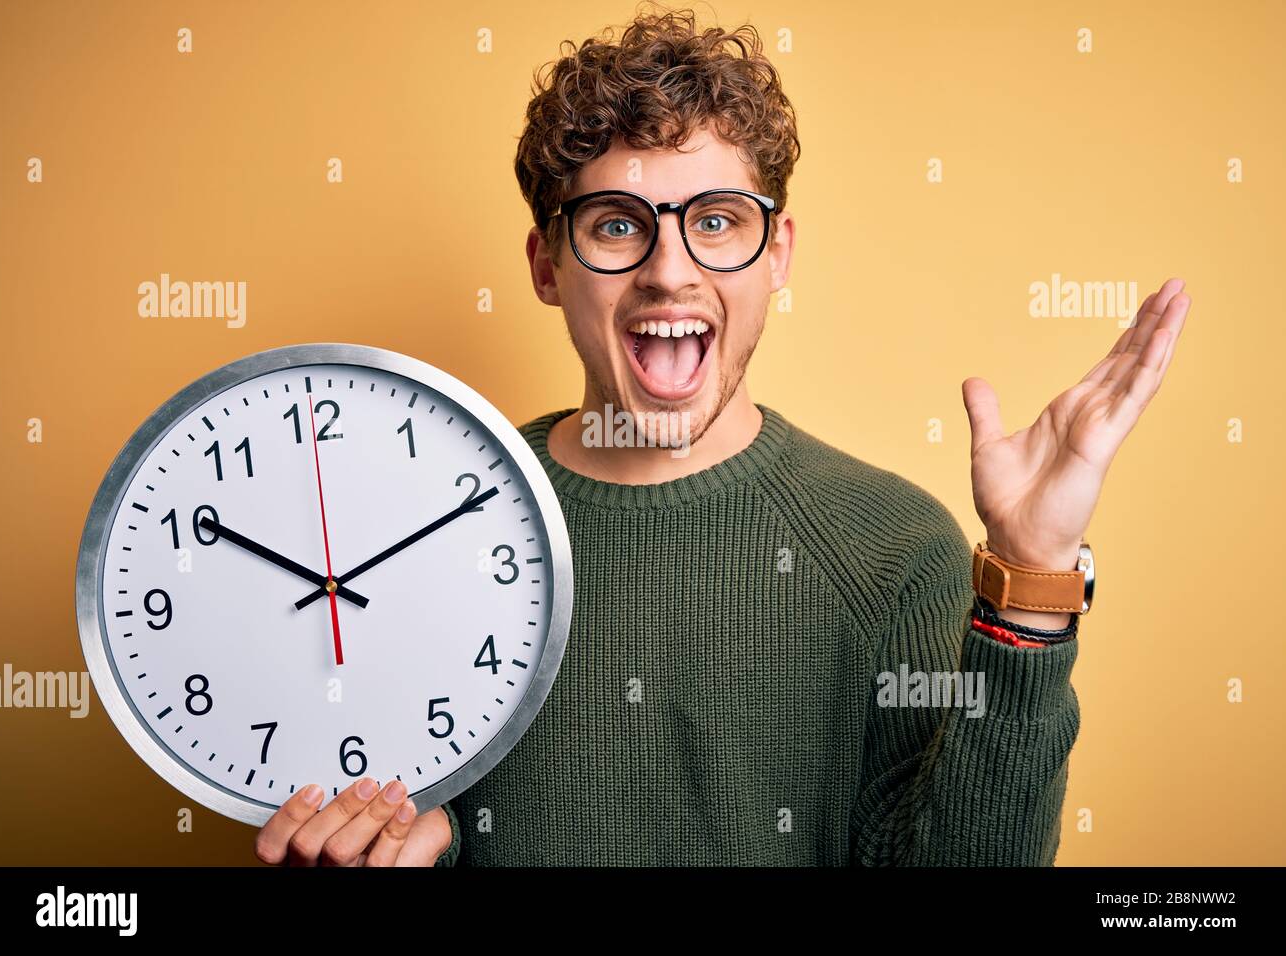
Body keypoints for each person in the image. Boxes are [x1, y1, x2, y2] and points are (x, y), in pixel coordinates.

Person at [254, 6, 1190, 867]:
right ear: (546, 264)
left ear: (776, 255)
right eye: (618, 224)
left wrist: (1030, 582)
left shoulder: (896, 551)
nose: (672, 272)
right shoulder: (411, 535)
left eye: (716, 222)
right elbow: (401, 819)